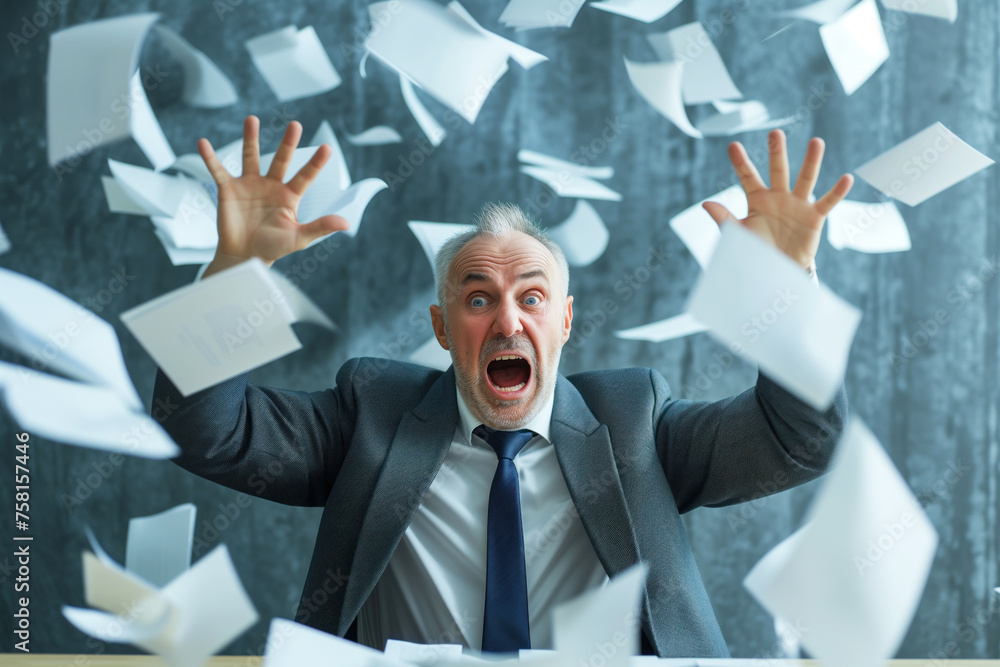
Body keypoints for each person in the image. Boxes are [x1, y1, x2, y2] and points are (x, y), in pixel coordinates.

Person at [152, 116, 854, 657]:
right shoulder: (370, 414)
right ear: (442, 326)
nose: (508, 319)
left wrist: (786, 292)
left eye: (532, 297)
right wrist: (234, 276)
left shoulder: (635, 422)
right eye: (479, 298)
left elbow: (800, 442)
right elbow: (205, 432)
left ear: (565, 322)